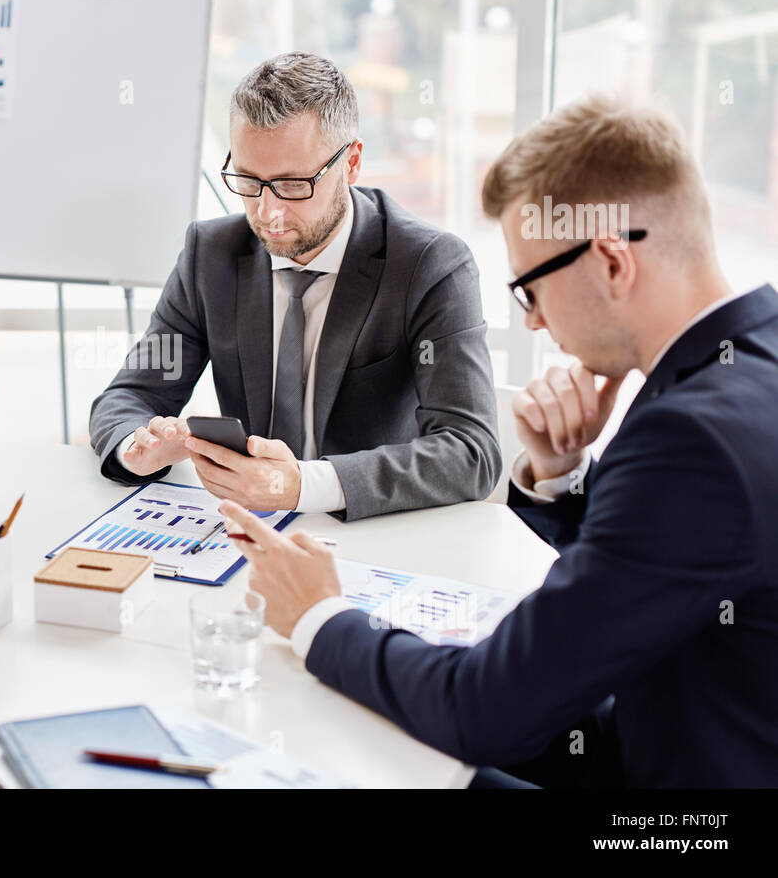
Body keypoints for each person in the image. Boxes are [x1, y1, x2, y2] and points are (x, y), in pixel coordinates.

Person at [218, 93, 778, 787]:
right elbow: (643, 583)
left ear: (612, 263)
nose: (534, 323)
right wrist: (561, 473)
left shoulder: (692, 441)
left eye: (530, 290)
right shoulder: (745, 364)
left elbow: (484, 712)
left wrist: (318, 617)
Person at [88, 52, 499, 520]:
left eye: (292, 184)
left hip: (372, 532)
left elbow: (472, 451)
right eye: (248, 181)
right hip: (244, 528)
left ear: (352, 163)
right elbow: (128, 397)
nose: (268, 213)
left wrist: (303, 486)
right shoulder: (211, 255)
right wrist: (137, 448)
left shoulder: (429, 265)